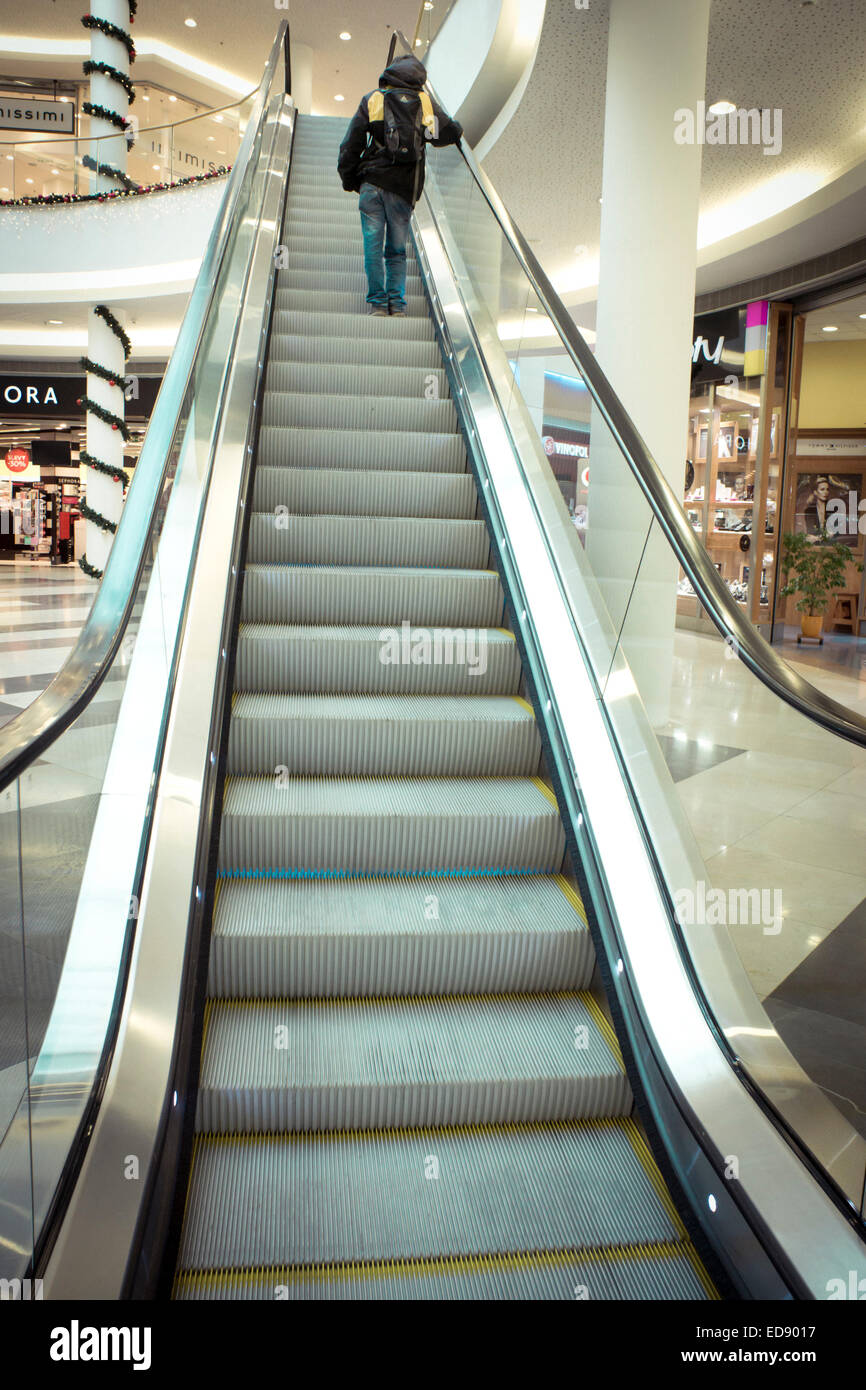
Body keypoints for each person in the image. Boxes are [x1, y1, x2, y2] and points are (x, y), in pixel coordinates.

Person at [337, 55, 462, 316]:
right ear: (418, 78)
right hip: (403, 189)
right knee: (396, 250)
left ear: (391, 73)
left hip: (372, 184)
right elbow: (446, 134)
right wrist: (458, 129)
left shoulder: (374, 99)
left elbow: (351, 144)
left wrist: (350, 180)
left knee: (372, 247)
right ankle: (398, 305)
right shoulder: (424, 103)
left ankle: (378, 304)